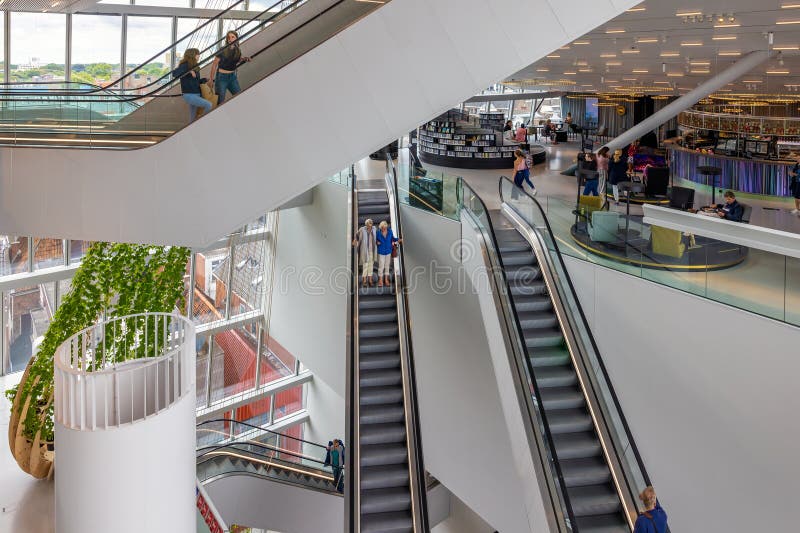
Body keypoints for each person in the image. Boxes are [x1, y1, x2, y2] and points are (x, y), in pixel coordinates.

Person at [208, 30, 251, 104]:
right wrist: (211, 79)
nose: (230, 39)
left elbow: (235, 60)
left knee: (239, 97)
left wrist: (245, 59)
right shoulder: (223, 49)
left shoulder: (237, 49)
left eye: (232, 37)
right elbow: (214, 64)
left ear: (236, 38)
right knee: (220, 102)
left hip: (232, 77)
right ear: (227, 40)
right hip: (222, 78)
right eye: (229, 38)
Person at [172, 48, 211, 122]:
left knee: (192, 118)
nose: (199, 56)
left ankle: (192, 130)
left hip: (196, 94)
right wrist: (189, 71)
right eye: (197, 54)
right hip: (189, 95)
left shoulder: (195, 66)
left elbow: (196, 82)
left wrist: (205, 80)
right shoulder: (185, 65)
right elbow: (174, 73)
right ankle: (201, 123)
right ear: (193, 55)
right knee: (208, 105)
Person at [352, 218, 377, 287]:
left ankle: (370, 280)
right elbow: (357, 236)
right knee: (365, 266)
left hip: (372, 250)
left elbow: (377, 236)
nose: (370, 225)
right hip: (364, 251)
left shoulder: (374, 229)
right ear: (366, 224)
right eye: (369, 224)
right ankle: (364, 281)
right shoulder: (362, 229)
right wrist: (354, 241)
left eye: (371, 223)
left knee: (371, 266)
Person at [376, 221, 400, 287]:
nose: (384, 229)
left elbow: (393, 239)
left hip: (388, 251)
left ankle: (386, 280)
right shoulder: (378, 232)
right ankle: (380, 280)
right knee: (381, 267)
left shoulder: (390, 231)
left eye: (385, 228)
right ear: (381, 227)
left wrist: (399, 239)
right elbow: (375, 240)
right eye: (383, 228)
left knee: (387, 266)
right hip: (381, 251)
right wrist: (377, 242)